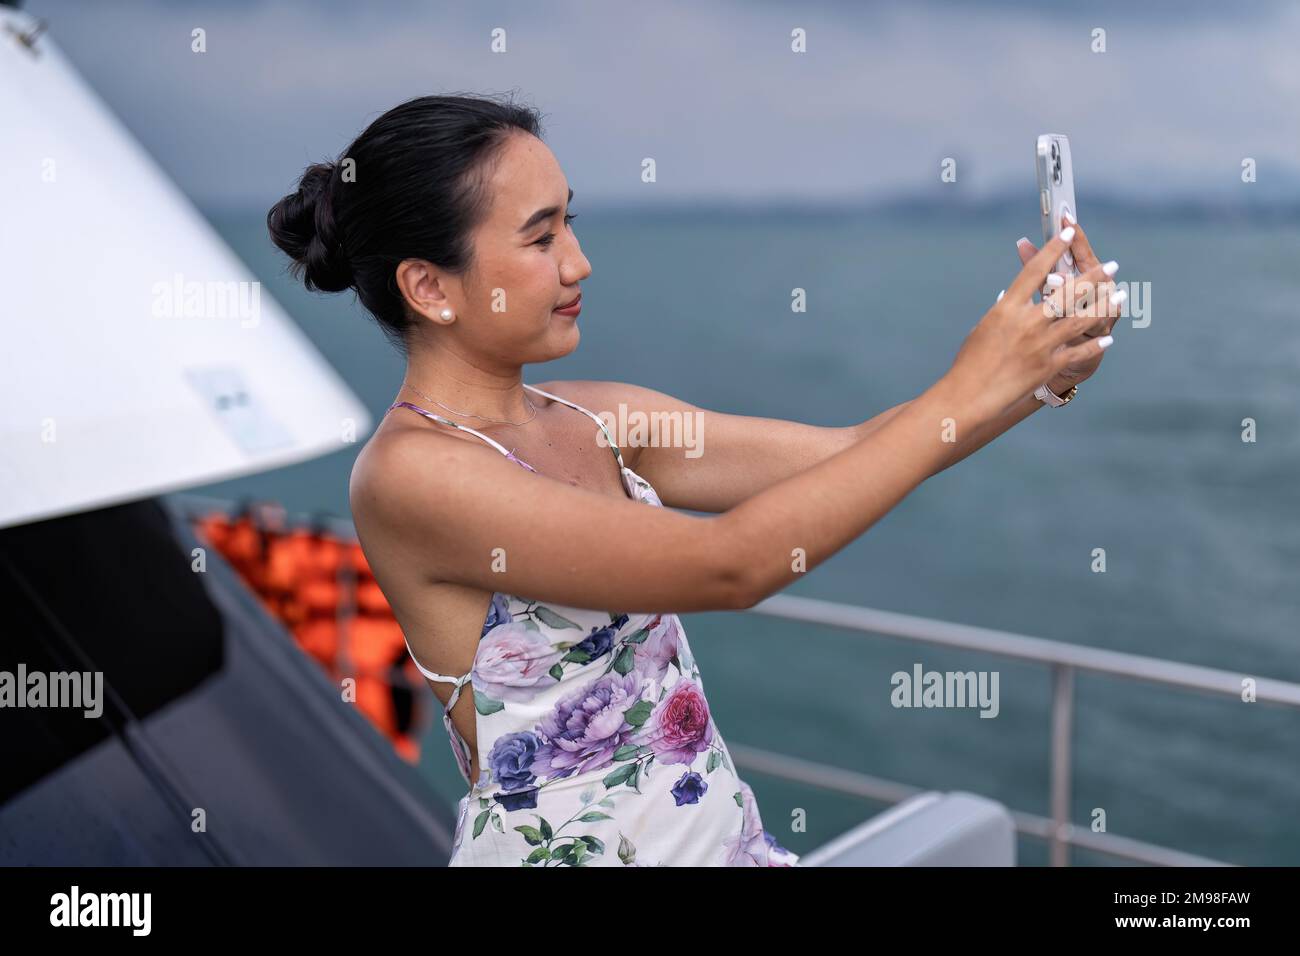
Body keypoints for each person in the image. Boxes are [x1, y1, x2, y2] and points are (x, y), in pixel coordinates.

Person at [267, 93, 1121, 867]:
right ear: (429, 286)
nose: (579, 263)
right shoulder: (413, 476)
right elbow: (733, 563)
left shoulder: (597, 418)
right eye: (541, 236)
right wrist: (975, 380)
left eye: (571, 224)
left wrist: (1038, 372)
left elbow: (850, 452)